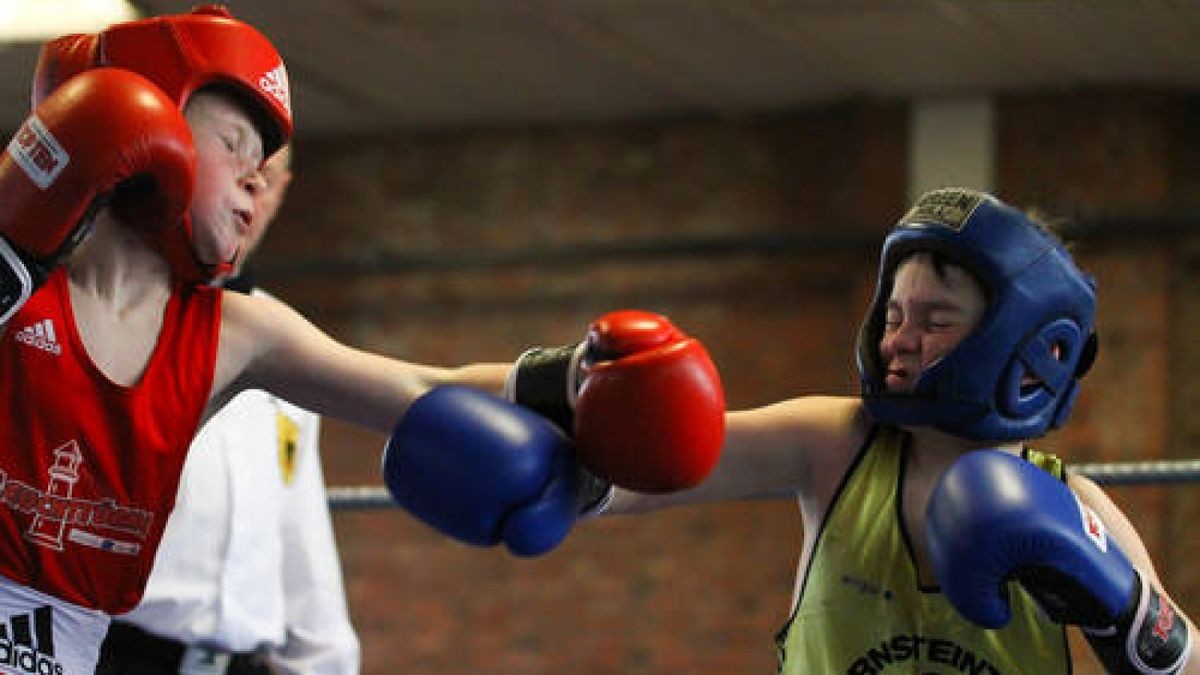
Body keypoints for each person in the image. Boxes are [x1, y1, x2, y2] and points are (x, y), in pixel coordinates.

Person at [0, 6, 725, 673]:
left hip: (68, 648)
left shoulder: (232, 330)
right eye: (233, 144)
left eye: (267, 165)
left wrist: (576, 384)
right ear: (138, 125)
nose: (257, 182)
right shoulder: (20, 280)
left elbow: (415, 389)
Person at [598, 187, 1198, 674]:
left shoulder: (1076, 506)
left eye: (934, 320)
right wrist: (572, 447)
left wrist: (1120, 608)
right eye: (892, 315)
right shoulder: (834, 444)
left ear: (1030, 348)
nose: (897, 341)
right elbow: (648, 467)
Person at [93, 145, 361, 675]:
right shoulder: (107, 305)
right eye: (237, 166)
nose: (252, 188)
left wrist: (326, 661)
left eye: (267, 175)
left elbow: (298, 530)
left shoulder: (284, 332)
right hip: (110, 652)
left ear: (281, 190)